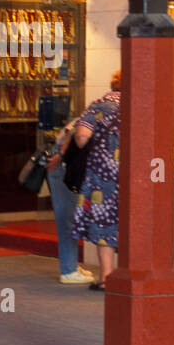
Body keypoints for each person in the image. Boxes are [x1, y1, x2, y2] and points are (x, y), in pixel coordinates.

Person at [56, 70, 121, 290]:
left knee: (105, 222)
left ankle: (106, 276)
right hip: (133, 174)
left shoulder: (101, 104)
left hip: (103, 174)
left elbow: (82, 136)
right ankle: (131, 274)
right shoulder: (141, 105)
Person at [45, 119, 94, 285]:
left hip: (63, 163)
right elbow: (72, 131)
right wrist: (61, 155)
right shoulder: (96, 113)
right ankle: (68, 270)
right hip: (63, 164)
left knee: (69, 217)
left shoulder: (95, 110)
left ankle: (71, 264)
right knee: (66, 217)